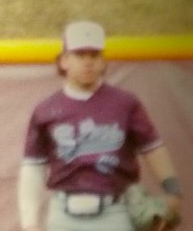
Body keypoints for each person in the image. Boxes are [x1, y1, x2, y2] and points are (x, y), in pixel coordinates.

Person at [18, 21, 183, 231]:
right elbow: (33, 167)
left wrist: (173, 190)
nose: (88, 62)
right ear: (64, 60)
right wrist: (29, 222)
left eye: (94, 55)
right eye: (80, 55)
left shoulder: (125, 103)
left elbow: (152, 147)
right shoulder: (46, 110)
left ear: (103, 61)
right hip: (63, 213)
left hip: (114, 211)